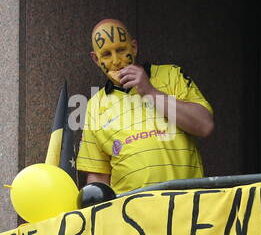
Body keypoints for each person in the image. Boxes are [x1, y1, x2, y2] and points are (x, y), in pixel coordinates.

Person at [74, 18, 214, 195]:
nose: (116, 61)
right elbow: (98, 179)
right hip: (131, 215)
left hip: (183, 206)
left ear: (134, 47)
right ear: (95, 59)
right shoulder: (95, 105)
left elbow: (204, 125)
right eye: (107, 55)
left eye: (121, 50)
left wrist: (150, 91)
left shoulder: (171, 75)